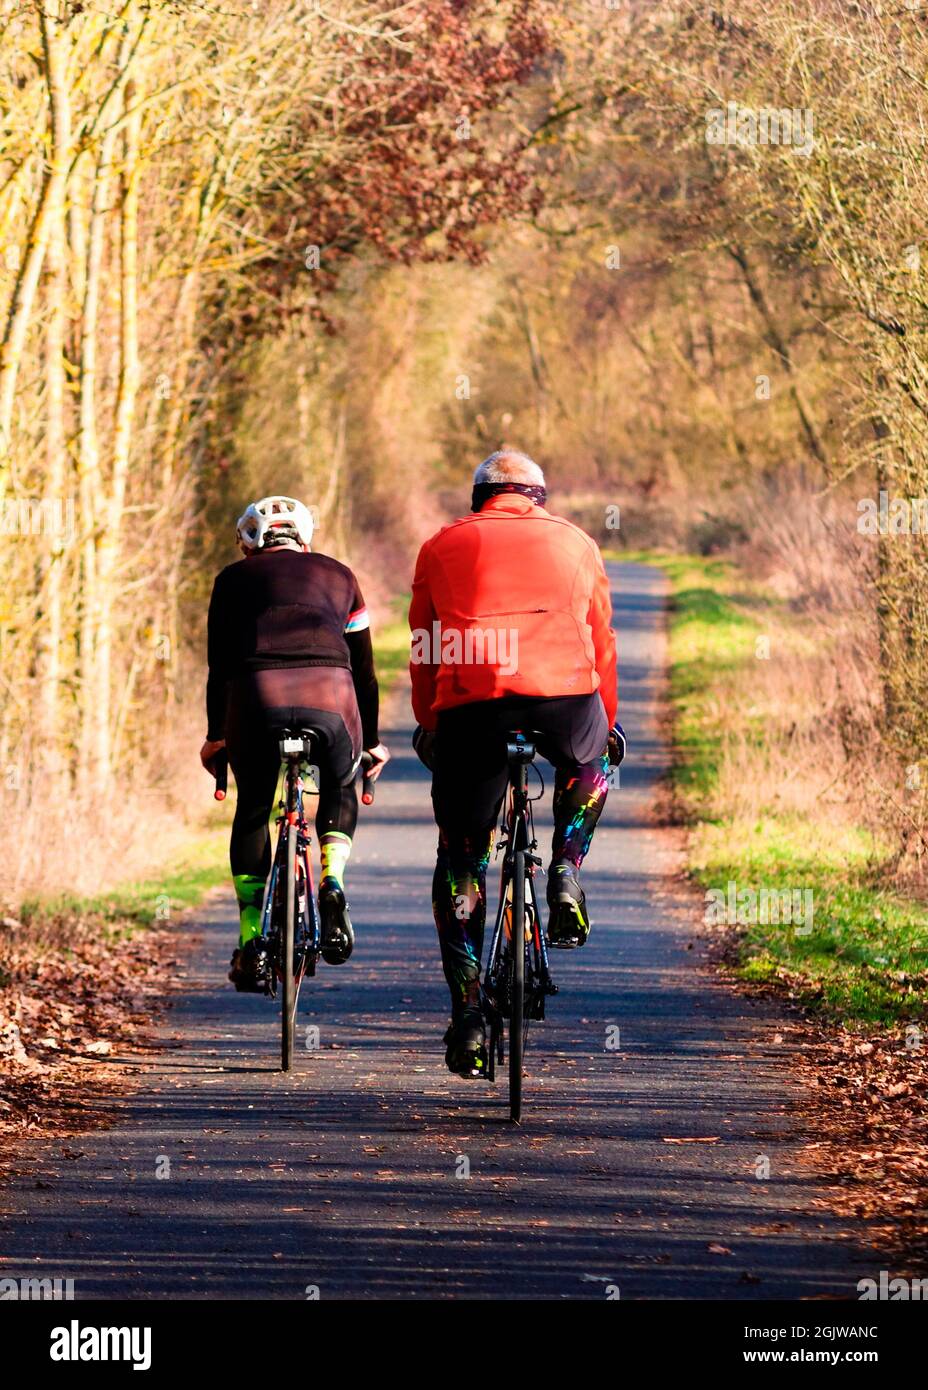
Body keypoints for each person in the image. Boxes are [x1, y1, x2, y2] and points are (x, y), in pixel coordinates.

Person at [409, 451, 624, 1076]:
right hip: (564, 698)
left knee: (461, 857)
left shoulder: (439, 545)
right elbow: (602, 640)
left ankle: (470, 1013)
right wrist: (603, 723)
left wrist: (431, 721)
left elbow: (424, 646)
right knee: (591, 762)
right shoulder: (578, 541)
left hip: (474, 709)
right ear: (539, 496)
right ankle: (564, 868)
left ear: (479, 498)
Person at [200, 495, 389, 991]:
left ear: (248, 543)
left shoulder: (229, 580)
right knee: (341, 783)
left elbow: (219, 670)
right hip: (330, 695)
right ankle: (332, 880)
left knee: (254, 807)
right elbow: (364, 674)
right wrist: (371, 742)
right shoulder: (340, 576)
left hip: (255, 700)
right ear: (305, 537)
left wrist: (215, 737)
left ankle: (250, 937)